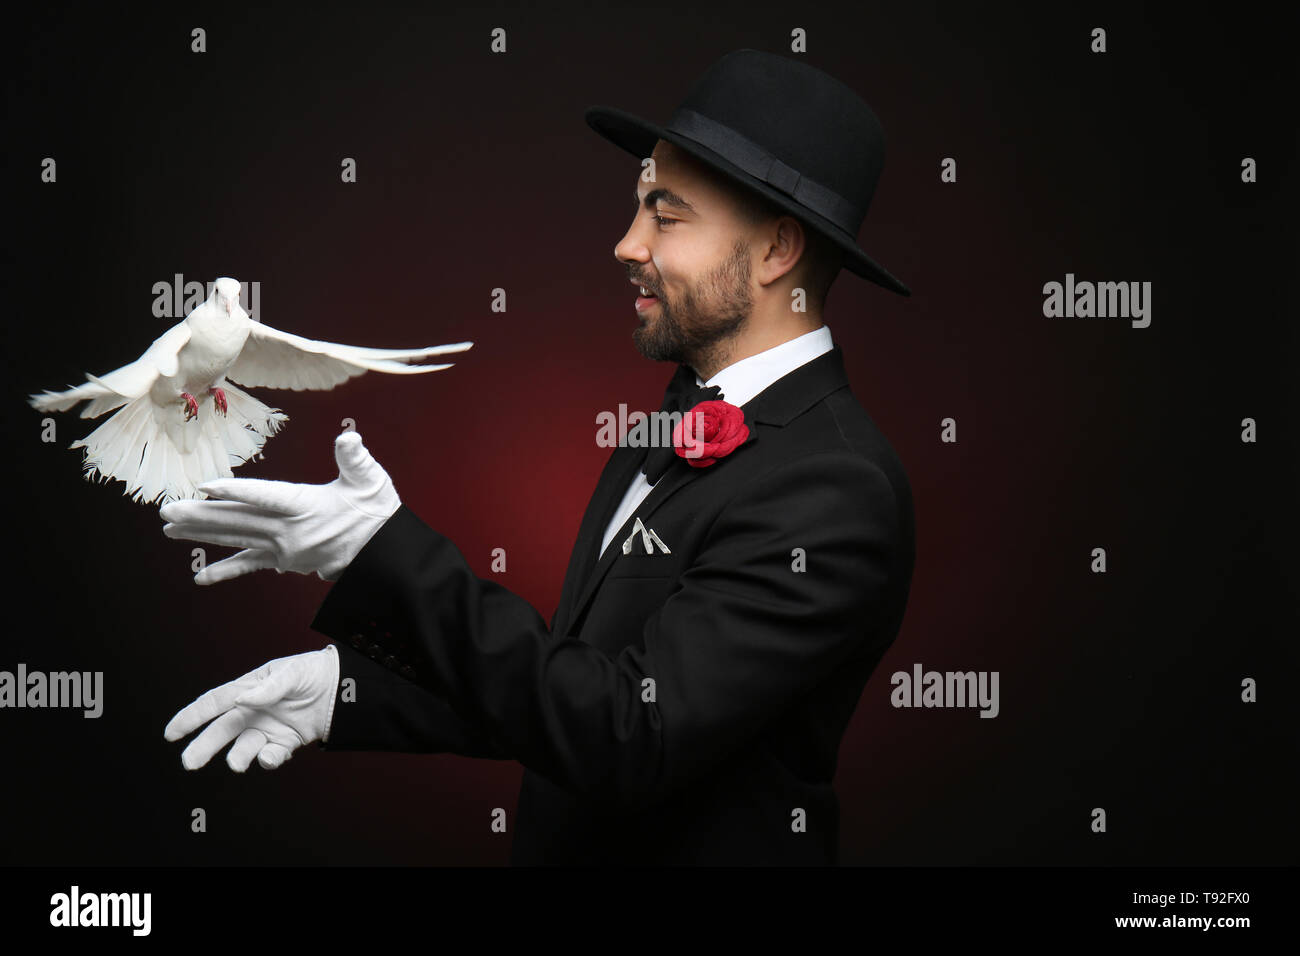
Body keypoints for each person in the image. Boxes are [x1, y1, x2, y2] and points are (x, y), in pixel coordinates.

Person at [161, 48, 916, 865]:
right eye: (637, 208)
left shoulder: (835, 487)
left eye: (665, 215)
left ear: (775, 253)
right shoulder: (671, 419)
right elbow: (577, 684)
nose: (627, 245)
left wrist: (385, 552)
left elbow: (631, 735)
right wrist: (345, 696)